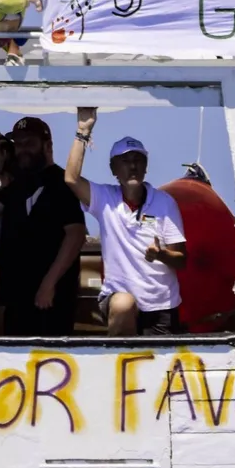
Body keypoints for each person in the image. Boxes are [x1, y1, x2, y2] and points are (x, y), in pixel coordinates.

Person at [66, 108, 188, 336]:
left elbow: (181, 260)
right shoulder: (104, 199)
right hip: (118, 299)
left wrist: (160, 255)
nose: (132, 166)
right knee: (123, 304)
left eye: (138, 160)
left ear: (146, 166)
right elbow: (71, 179)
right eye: (125, 161)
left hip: (162, 305)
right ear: (113, 168)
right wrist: (82, 131)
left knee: (159, 370)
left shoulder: (165, 202)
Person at [0, 116, 85, 337]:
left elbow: (75, 235)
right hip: (17, 296)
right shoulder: (17, 185)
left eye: (29, 144)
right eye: (18, 144)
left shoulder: (61, 183)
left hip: (50, 298)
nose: (22, 150)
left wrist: (49, 283)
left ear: (47, 145)